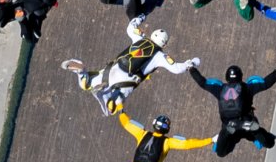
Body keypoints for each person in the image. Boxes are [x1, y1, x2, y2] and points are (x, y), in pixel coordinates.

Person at [62, 15, 200, 115]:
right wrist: (190, 63)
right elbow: (176, 68)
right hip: (128, 77)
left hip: (114, 67)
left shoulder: (140, 38)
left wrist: (140, 17)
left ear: (153, 35)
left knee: (87, 84)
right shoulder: (160, 56)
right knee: (113, 108)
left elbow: (130, 27)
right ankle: (112, 100)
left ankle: (81, 72)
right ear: (164, 43)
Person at [189, 64, 276, 156]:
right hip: (246, 123)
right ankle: (256, 133)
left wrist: (192, 69)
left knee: (221, 153)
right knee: (269, 143)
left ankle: (225, 133)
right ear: (241, 76)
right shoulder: (247, 88)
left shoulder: (219, 89)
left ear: (227, 77)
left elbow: (202, 83)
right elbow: (266, 83)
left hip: (230, 126)